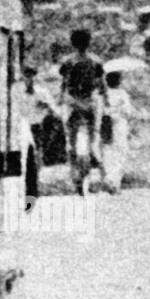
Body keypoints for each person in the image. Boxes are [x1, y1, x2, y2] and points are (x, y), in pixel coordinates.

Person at [59, 29, 105, 196]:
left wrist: (61, 100)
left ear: (72, 43)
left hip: (72, 102)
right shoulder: (96, 61)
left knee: (70, 142)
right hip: (89, 103)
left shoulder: (67, 62)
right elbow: (101, 85)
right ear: (88, 42)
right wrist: (105, 101)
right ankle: (97, 173)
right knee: (94, 139)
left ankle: (75, 174)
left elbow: (64, 85)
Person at [99, 72, 134, 195]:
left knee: (107, 152)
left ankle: (109, 179)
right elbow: (128, 112)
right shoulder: (122, 94)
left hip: (105, 125)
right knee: (120, 153)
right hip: (119, 125)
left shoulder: (103, 95)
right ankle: (115, 182)